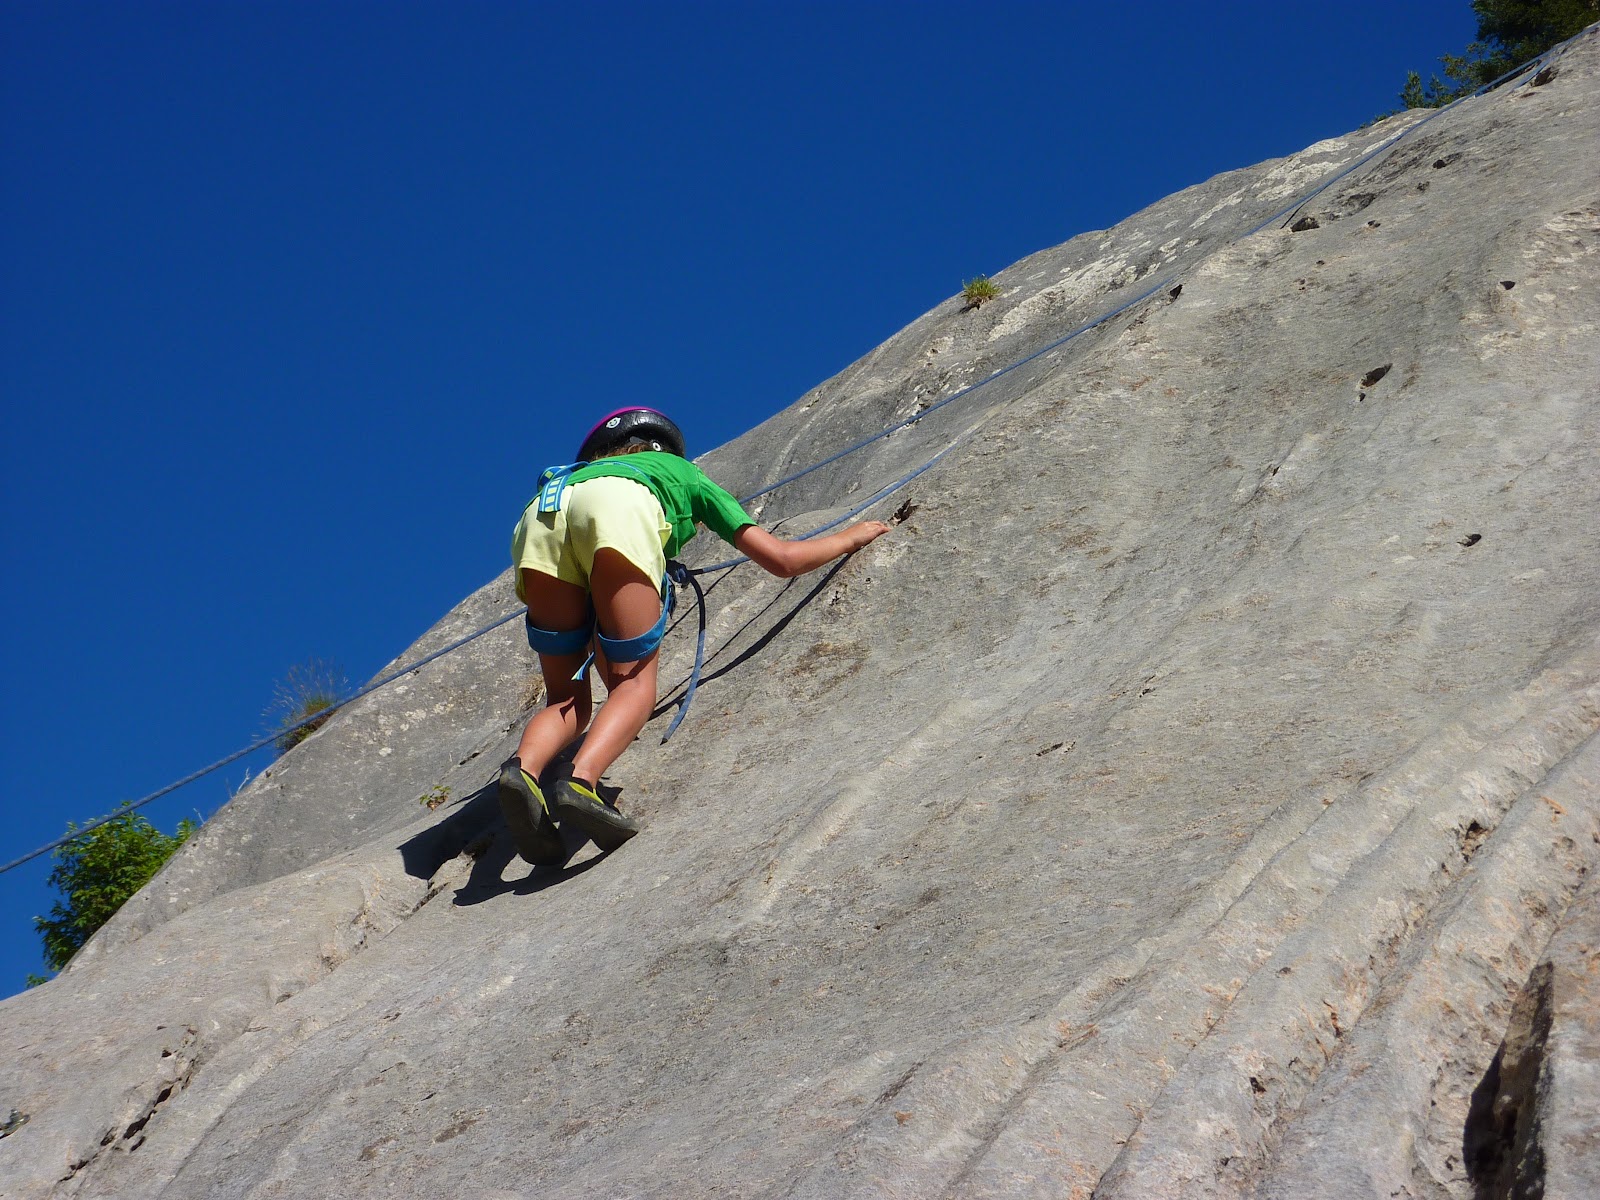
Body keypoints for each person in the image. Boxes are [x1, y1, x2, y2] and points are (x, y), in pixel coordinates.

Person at [498, 406, 890, 865]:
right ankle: (580, 784)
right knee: (634, 686)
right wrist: (856, 535)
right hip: (621, 511)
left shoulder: (579, 474)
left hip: (542, 515)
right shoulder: (684, 474)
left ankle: (523, 772)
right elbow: (783, 559)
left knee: (565, 697)